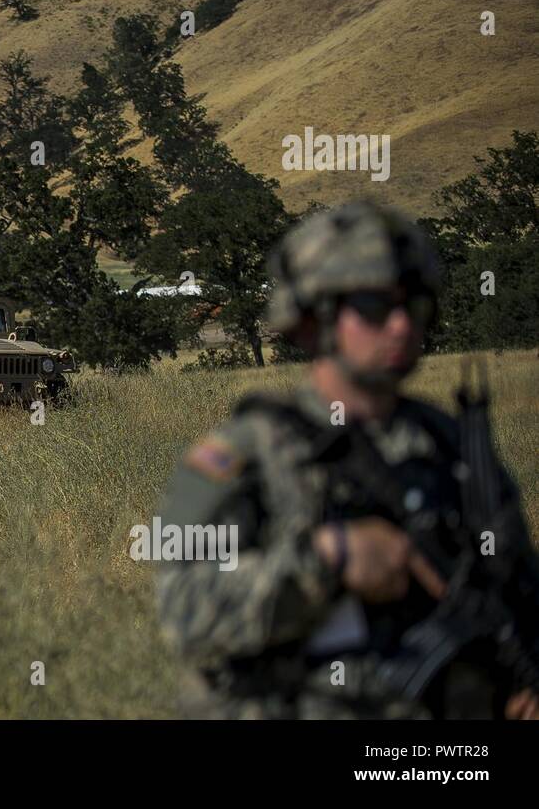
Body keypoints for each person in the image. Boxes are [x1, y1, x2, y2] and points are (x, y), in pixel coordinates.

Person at [155, 202, 539, 719]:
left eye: (414, 306)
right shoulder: (250, 454)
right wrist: (329, 560)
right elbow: (184, 610)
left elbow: (518, 585)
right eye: (374, 307)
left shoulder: (450, 445)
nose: (401, 326)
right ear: (315, 320)